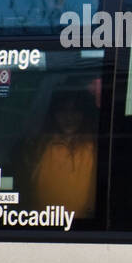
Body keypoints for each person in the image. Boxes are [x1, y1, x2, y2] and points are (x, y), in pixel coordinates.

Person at [29, 87, 98, 216]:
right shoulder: (39, 147)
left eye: (75, 110)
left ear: (84, 113)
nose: (69, 117)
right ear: (54, 113)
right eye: (62, 110)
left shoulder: (93, 148)